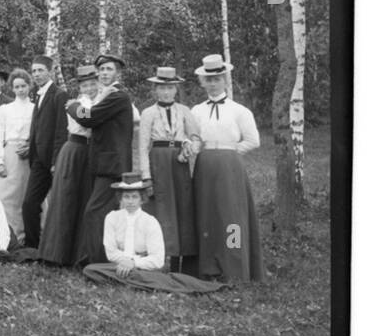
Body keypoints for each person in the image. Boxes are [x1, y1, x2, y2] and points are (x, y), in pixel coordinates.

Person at [82, 173, 228, 293]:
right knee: (90, 270)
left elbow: (157, 260)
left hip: (144, 269)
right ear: (121, 198)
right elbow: (111, 253)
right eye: (126, 197)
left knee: (152, 276)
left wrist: (133, 262)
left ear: (142, 199)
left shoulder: (150, 222)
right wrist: (125, 262)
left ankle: (136, 282)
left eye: (134, 197)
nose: (130, 201)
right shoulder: (112, 218)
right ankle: (143, 284)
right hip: (118, 267)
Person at [189, 54, 264, 282]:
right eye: (208, 80)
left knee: (231, 216)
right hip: (204, 164)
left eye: (217, 79)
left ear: (225, 80)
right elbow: (192, 138)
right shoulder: (196, 111)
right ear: (202, 82)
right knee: (206, 212)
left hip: (230, 165)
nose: (212, 84)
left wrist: (229, 153)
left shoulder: (239, 111)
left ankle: (234, 266)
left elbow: (253, 140)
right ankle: (206, 265)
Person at [68, 54, 135, 266]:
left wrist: (71, 106)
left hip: (112, 165)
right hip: (103, 164)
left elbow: (90, 117)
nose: (104, 73)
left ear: (118, 73)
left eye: (109, 69)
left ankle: (97, 263)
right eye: (102, 70)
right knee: (106, 214)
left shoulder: (118, 96)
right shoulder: (105, 95)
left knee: (95, 213)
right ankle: (100, 259)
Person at [138, 66, 200, 270]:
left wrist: (190, 148)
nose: (166, 92)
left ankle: (179, 260)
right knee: (162, 207)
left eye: (170, 88)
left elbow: (195, 136)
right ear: (155, 90)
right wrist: (146, 176)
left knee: (182, 206)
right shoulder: (148, 113)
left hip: (178, 162)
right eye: (162, 88)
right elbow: (143, 145)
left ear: (176, 89)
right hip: (158, 161)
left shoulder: (184, 111)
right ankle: (160, 259)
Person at [38, 65, 99, 265]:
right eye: (86, 85)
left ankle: (78, 254)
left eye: (93, 84)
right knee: (65, 199)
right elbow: (88, 119)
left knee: (85, 199)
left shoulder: (100, 101)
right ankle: (55, 254)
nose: (90, 88)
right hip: (74, 149)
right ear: (80, 88)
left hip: (90, 153)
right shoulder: (78, 103)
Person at [21, 55, 68, 249]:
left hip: (53, 161)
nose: (37, 74)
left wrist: (57, 161)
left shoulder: (59, 95)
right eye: (34, 71)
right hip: (38, 160)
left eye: (40, 70)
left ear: (50, 71)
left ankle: (57, 247)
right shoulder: (38, 94)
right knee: (29, 204)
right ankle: (32, 247)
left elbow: (60, 131)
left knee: (59, 206)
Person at [0, 69, 35, 243]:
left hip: (27, 155)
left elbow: (39, 133)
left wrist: (30, 146)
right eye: (16, 87)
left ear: (29, 86)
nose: (20, 90)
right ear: (12, 88)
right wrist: (0, 161)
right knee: (2, 197)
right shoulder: (5, 109)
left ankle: (24, 235)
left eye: (23, 86)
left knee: (24, 196)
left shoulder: (35, 108)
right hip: (9, 154)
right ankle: (4, 235)